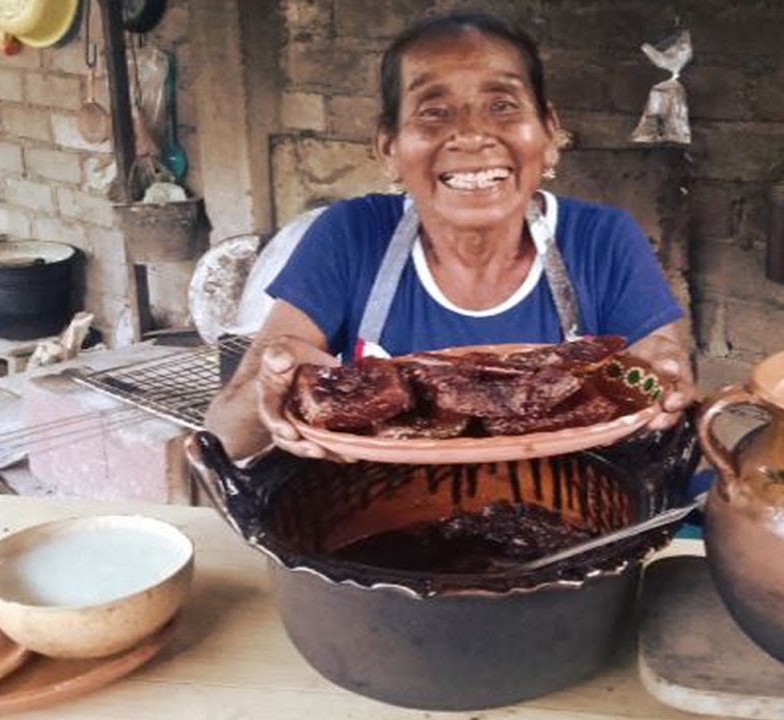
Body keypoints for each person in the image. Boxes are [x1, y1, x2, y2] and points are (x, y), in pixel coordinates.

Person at [206, 11, 694, 461]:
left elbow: (663, 399)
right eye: (434, 111)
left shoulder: (603, 240)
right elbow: (224, 437)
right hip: (383, 523)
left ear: (548, 134)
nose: (472, 134)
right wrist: (273, 382)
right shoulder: (350, 236)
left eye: (502, 105)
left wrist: (662, 376)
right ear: (389, 148)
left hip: (578, 521)